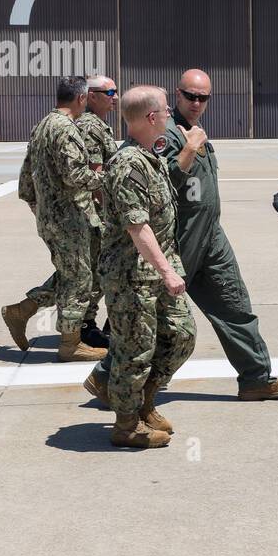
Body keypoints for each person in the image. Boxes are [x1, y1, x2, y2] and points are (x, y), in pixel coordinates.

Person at [85, 68, 278, 402]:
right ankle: (108, 376)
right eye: (190, 96)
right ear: (178, 95)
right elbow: (153, 183)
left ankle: (256, 376)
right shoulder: (162, 134)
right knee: (154, 319)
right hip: (179, 240)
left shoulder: (192, 130)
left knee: (234, 305)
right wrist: (187, 150)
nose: (197, 103)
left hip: (209, 236)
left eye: (204, 98)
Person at [99, 84, 196, 449]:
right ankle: (127, 425)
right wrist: (167, 271)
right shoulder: (128, 165)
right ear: (152, 117)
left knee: (181, 334)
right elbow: (137, 227)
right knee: (134, 349)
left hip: (155, 271)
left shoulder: (149, 156)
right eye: (167, 111)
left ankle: (145, 402)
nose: (171, 115)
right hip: (132, 275)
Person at [8, 76, 120, 350]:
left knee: (74, 272)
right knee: (80, 277)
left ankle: (23, 310)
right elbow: (76, 175)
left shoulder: (41, 126)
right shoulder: (67, 130)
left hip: (53, 217)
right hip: (69, 217)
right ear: (82, 98)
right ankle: (70, 344)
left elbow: (26, 177)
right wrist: (115, 177)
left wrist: (37, 207)